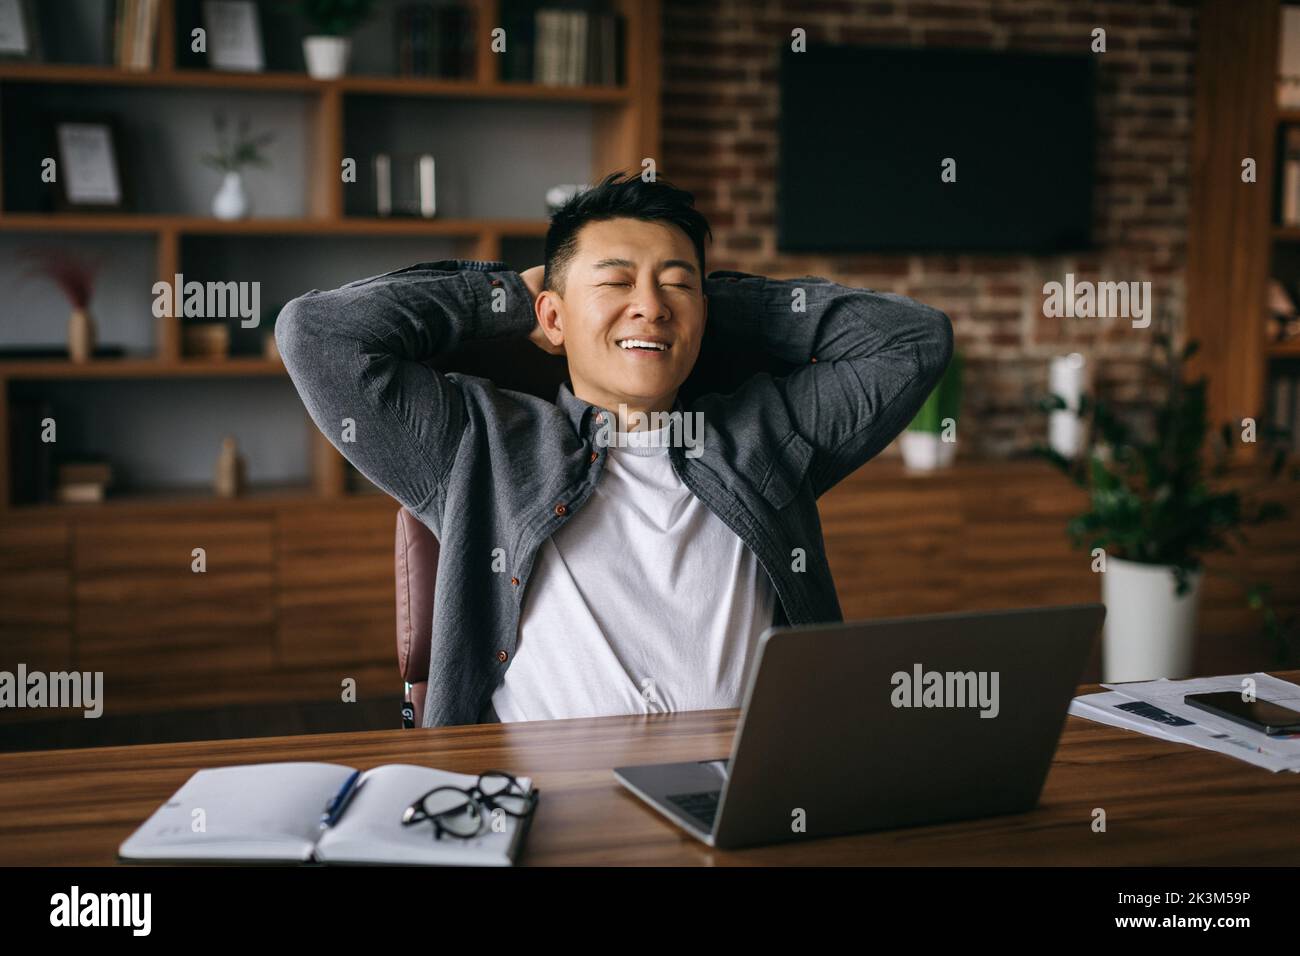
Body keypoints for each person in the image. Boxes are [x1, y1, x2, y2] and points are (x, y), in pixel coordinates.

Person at [276, 169, 953, 727]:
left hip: (746, 791)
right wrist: (512, 296)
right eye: (616, 281)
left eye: (675, 284)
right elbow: (317, 335)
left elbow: (913, 340)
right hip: (548, 796)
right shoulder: (476, 441)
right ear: (553, 316)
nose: (651, 307)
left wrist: (711, 303)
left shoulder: (769, 431)